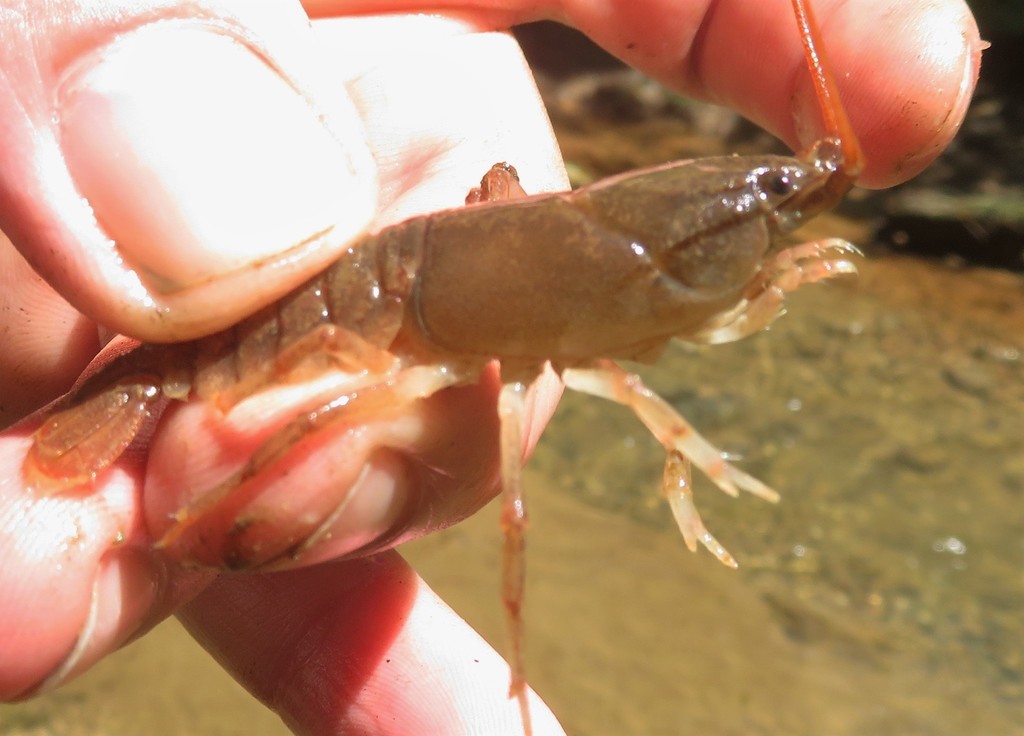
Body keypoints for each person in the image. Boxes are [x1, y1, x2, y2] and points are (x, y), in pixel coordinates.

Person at [0, 0, 982, 733]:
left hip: (403, 294)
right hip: (302, 325)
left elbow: (682, 312)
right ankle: (509, 671)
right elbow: (651, 350)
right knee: (408, 457)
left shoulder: (671, 240)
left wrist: (775, 250)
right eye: (764, 214)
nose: (771, 215)